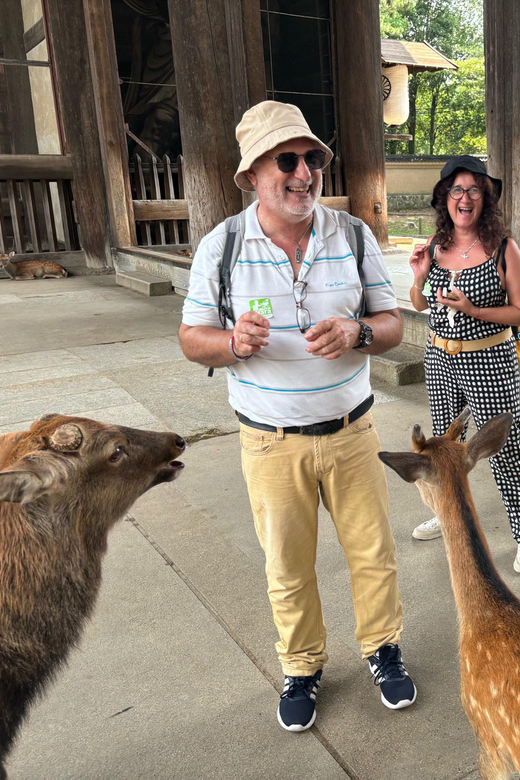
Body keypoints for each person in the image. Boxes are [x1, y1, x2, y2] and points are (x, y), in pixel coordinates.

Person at [179, 100, 416, 732]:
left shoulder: (354, 235)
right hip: (270, 440)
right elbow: (191, 337)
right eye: (287, 160)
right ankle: (302, 667)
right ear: (253, 173)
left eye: (313, 159)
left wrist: (358, 330)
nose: (304, 173)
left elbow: (392, 326)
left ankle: (383, 651)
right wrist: (232, 344)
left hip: (352, 430)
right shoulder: (222, 244)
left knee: (373, 552)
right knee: (287, 564)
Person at [409, 155, 520, 571]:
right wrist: (419, 276)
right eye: (457, 189)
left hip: (490, 359)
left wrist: (475, 310)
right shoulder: (437, 248)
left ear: (485, 198)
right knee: (444, 446)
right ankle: (447, 513)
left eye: (474, 189)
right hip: (439, 358)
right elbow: (419, 304)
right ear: (445, 198)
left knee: (505, 447)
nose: (465, 197)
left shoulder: (502, 248)